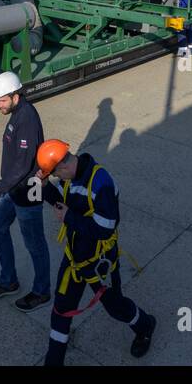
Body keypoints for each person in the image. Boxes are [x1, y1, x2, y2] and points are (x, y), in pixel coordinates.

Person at [35, 140, 156, 366]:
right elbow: (61, 202)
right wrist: (42, 187)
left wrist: (69, 217)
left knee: (115, 306)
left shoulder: (102, 183)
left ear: (63, 166)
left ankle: (145, 325)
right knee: (61, 310)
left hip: (99, 262)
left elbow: (105, 229)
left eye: (55, 174)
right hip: (74, 260)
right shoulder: (69, 178)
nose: (58, 179)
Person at [0, 72, 51, 312]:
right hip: (13, 188)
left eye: (1, 100)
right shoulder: (16, 113)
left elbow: (23, 166)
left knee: (35, 244)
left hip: (27, 192)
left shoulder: (27, 120)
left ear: (15, 96)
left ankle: (42, 291)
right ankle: (8, 281)